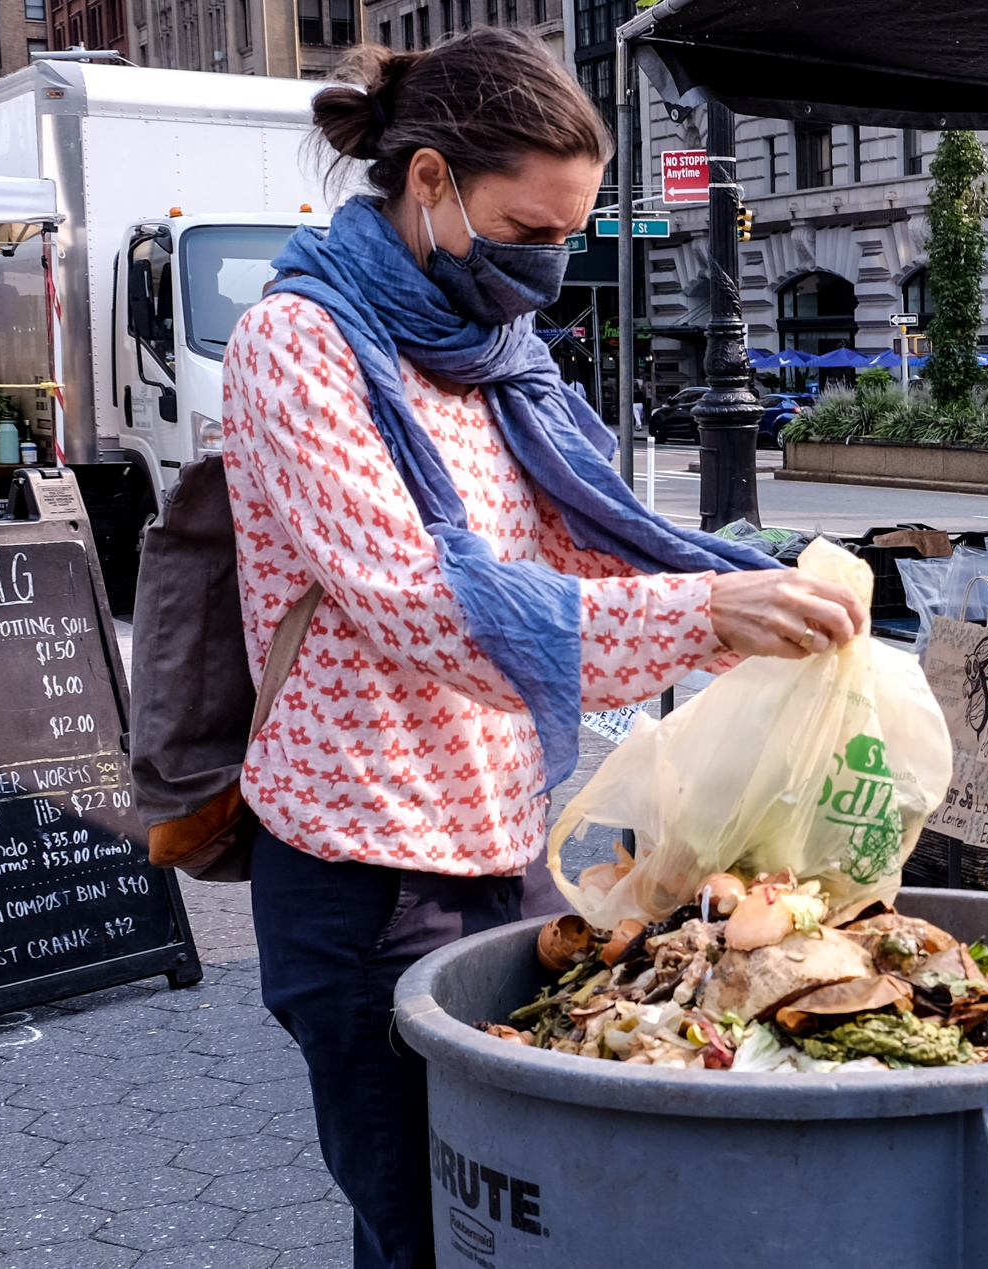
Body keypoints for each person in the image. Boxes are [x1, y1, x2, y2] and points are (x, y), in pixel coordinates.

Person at [220, 30, 867, 1269]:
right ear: (427, 182)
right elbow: (417, 607)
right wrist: (696, 616)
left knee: (512, 1212)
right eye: (525, 227)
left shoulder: (494, 357)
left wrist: (744, 582)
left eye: (567, 231)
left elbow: (571, 558)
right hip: (366, 867)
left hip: (508, 839)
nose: (548, 263)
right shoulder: (299, 344)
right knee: (418, 1221)